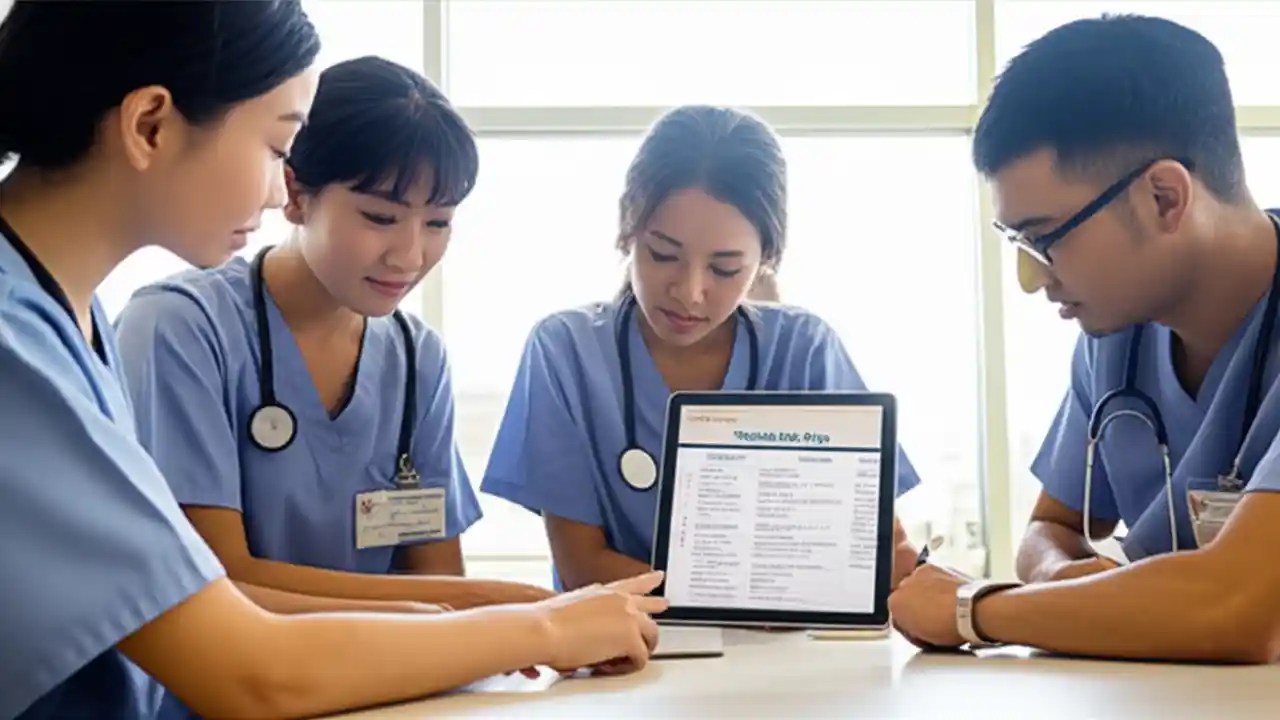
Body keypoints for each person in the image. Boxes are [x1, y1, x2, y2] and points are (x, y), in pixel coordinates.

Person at [0, 3, 663, 719]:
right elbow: (250, 671)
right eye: (278, 149)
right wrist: (538, 625)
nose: (275, 186)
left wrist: (514, 615)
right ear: (150, 125)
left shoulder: (71, 317)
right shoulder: (21, 350)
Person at [891, 15, 1280, 663]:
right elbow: (1053, 528)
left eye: (1043, 238)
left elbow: (1239, 612)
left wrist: (974, 609)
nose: (1026, 277)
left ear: (1163, 197)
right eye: (1015, 242)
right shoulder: (1118, 332)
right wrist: (1067, 583)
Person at [114, 55, 551, 612]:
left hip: (384, 693)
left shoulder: (417, 360)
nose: (411, 255)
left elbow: (437, 577)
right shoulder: (181, 330)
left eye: (439, 222)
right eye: (380, 218)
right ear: (295, 194)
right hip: (217, 695)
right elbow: (218, 586)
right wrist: (480, 604)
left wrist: (493, 612)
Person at [480, 105, 923, 591]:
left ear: (765, 260)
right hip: (626, 653)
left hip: (787, 653)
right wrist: (758, 597)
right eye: (663, 255)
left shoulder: (804, 349)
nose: (690, 292)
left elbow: (871, 547)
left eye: (725, 269)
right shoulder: (566, 351)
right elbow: (582, 568)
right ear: (627, 230)